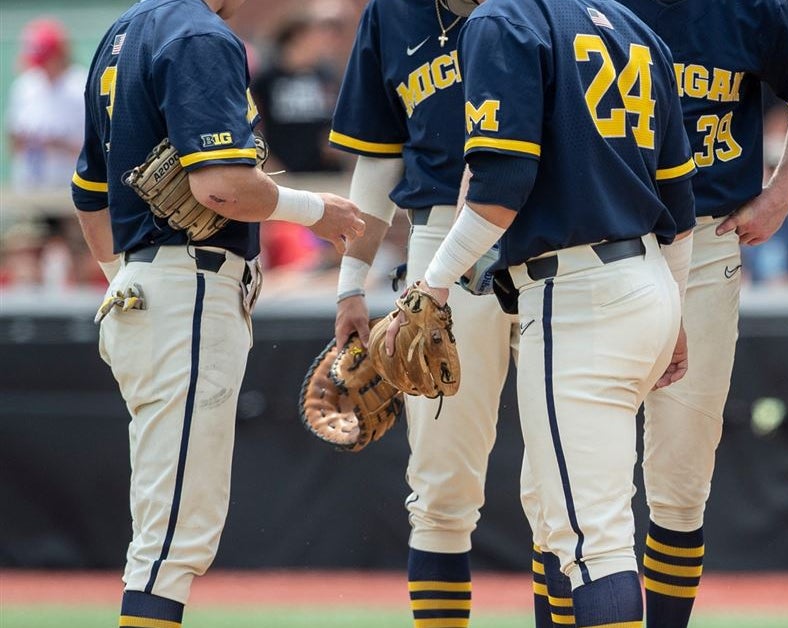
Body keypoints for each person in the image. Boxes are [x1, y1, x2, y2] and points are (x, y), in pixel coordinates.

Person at [384, 0, 696, 624]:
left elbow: (499, 190)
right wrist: (678, 313)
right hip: (648, 284)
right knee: (563, 519)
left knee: (591, 544)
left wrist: (432, 286)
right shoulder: (631, 26)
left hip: (577, 297)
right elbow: (680, 201)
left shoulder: (501, 20)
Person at [70, 1, 363, 626]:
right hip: (188, 291)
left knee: (169, 521)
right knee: (174, 531)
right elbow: (222, 187)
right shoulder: (201, 34)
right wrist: (320, 212)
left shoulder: (123, 33)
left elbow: (89, 196)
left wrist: (127, 280)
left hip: (148, 289)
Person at [611, 2, 788, 624]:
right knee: (569, 484)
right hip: (597, 246)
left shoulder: (760, 5)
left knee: (681, 487)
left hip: (710, 242)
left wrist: (780, 196)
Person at [325, 0, 521, 623]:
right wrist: (352, 282)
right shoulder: (393, 12)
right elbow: (379, 154)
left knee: (565, 490)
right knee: (439, 491)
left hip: (553, 233)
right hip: (438, 233)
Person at [251, 13, 344, 173]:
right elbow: (252, 123)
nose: (320, 43)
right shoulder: (267, 79)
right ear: (296, 38)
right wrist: (266, 159)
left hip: (323, 170)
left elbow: (337, 116)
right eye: (314, 37)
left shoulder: (326, 76)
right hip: (284, 170)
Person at [6, 18, 86, 192]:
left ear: (59, 55)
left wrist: (56, 144)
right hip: (29, 189)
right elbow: (13, 143)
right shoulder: (25, 84)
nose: (41, 68)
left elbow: (95, 150)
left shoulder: (81, 85)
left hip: (70, 191)